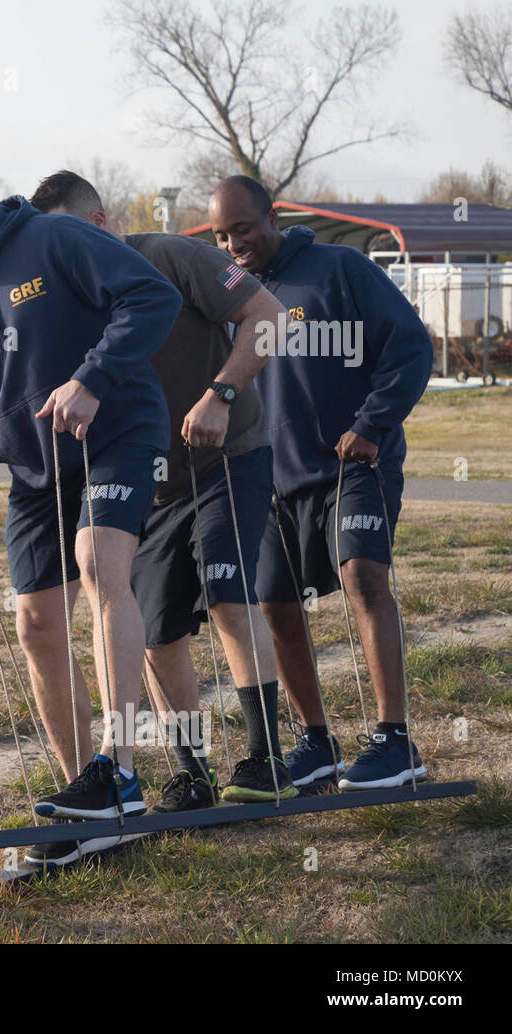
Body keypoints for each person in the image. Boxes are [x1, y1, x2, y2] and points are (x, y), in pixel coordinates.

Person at [0, 168, 181, 869]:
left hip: (114, 432)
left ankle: (120, 767)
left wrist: (92, 379)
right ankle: (85, 794)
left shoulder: (54, 238)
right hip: (32, 469)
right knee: (36, 622)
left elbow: (153, 295)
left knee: (98, 564)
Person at [32, 170, 294, 810]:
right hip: (150, 476)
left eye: (60, 239)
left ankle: (266, 760)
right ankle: (193, 770)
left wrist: (221, 394)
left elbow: (267, 314)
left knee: (228, 591)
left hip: (226, 452)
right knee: (152, 628)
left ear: (93, 227)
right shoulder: (66, 301)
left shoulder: (172, 257)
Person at [208, 175, 433, 791]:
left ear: (272, 217)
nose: (233, 244)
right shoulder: (233, 297)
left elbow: (412, 346)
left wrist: (373, 423)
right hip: (273, 478)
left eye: (243, 229)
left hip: (353, 462)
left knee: (363, 575)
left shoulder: (341, 269)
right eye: (223, 235)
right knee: (275, 604)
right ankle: (317, 741)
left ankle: (394, 740)